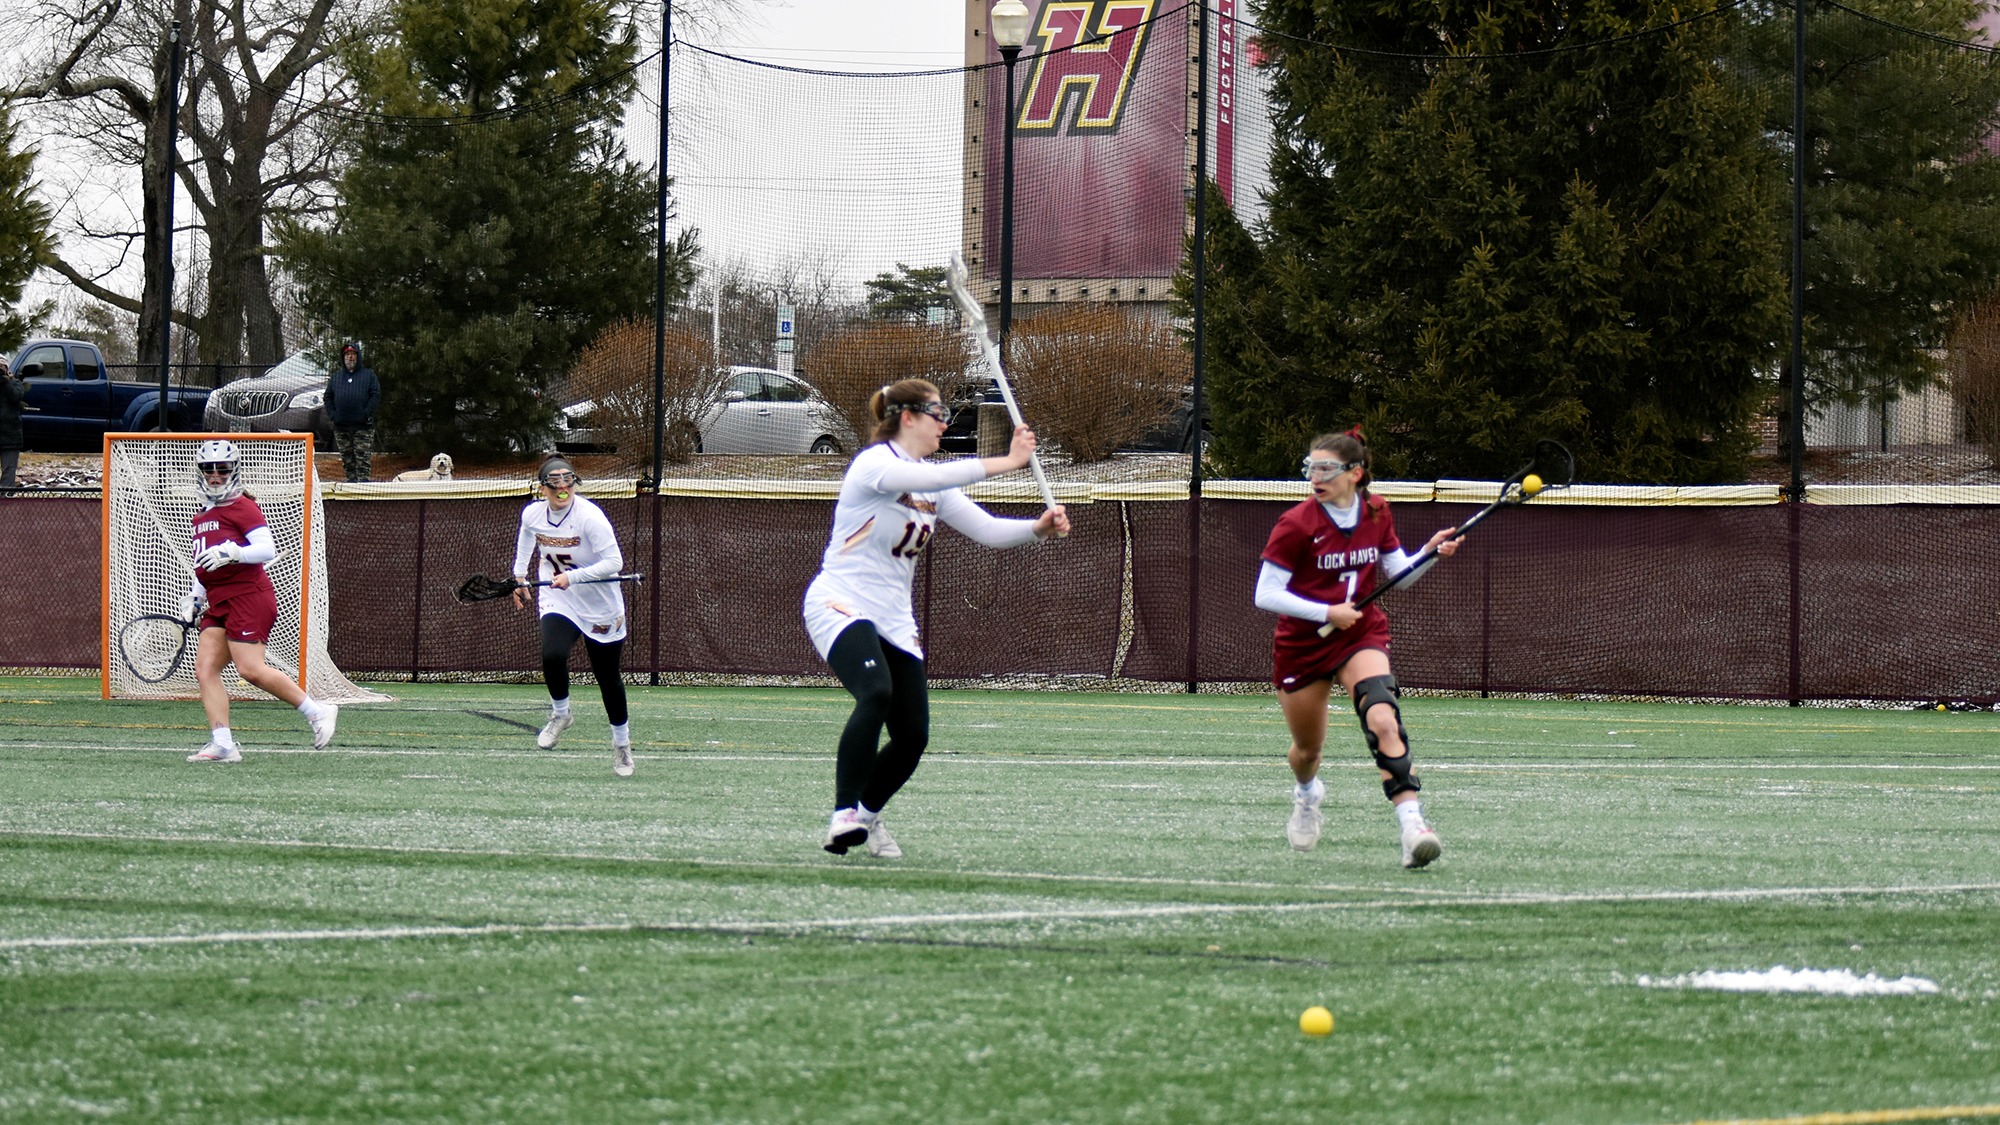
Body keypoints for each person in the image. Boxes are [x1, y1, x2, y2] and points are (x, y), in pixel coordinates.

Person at [804, 378, 1070, 858]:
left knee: (913, 737)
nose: (945, 423)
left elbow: (987, 530)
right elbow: (930, 480)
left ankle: (864, 818)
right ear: (906, 416)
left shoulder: (933, 480)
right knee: (876, 691)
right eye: (937, 413)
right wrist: (1008, 462)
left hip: (894, 618)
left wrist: (1037, 528)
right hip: (840, 601)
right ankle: (842, 811)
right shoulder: (875, 464)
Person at [1253, 429, 1462, 867]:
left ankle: (1413, 826)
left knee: (1383, 716)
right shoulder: (1296, 524)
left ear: (1356, 473)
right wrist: (1326, 612)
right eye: (1310, 467)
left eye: (1327, 468)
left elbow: (1398, 575)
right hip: (1302, 645)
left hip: (1359, 634)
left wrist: (1427, 554)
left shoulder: (1376, 510)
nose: (1316, 476)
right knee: (1307, 752)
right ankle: (1308, 794)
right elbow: (1265, 594)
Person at [182, 439, 340, 762]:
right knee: (205, 669)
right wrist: (195, 596)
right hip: (219, 601)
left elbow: (266, 548)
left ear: (233, 471)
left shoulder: (242, 506)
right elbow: (203, 563)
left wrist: (234, 552)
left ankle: (317, 711)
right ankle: (223, 743)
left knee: (250, 669)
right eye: (208, 469)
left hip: (248, 597)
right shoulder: (202, 515)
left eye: (222, 469)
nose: (215, 476)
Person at [512, 456, 634, 776]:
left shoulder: (590, 517)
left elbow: (614, 563)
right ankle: (561, 714)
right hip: (558, 597)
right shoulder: (533, 513)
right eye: (556, 485)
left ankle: (621, 746)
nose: (563, 489)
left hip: (599, 603)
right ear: (544, 489)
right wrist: (520, 577)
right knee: (552, 654)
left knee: (607, 677)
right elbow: (527, 535)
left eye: (568, 483)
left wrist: (574, 577)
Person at [325, 342, 380, 482]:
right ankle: (351, 488)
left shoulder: (369, 375)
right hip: (341, 427)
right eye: (347, 355)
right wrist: (334, 415)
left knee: (363, 461)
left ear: (358, 356)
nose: (350, 357)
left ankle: (364, 489)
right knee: (348, 462)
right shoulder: (336, 377)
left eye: (353, 354)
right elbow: (328, 397)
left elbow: (375, 395)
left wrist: (365, 413)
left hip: (363, 428)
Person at [0, 357, 22, 491]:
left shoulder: (15, 383)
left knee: (9, 469)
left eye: (2, 367)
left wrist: (5, 382)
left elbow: (16, 397)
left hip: (11, 434)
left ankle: (6, 500)